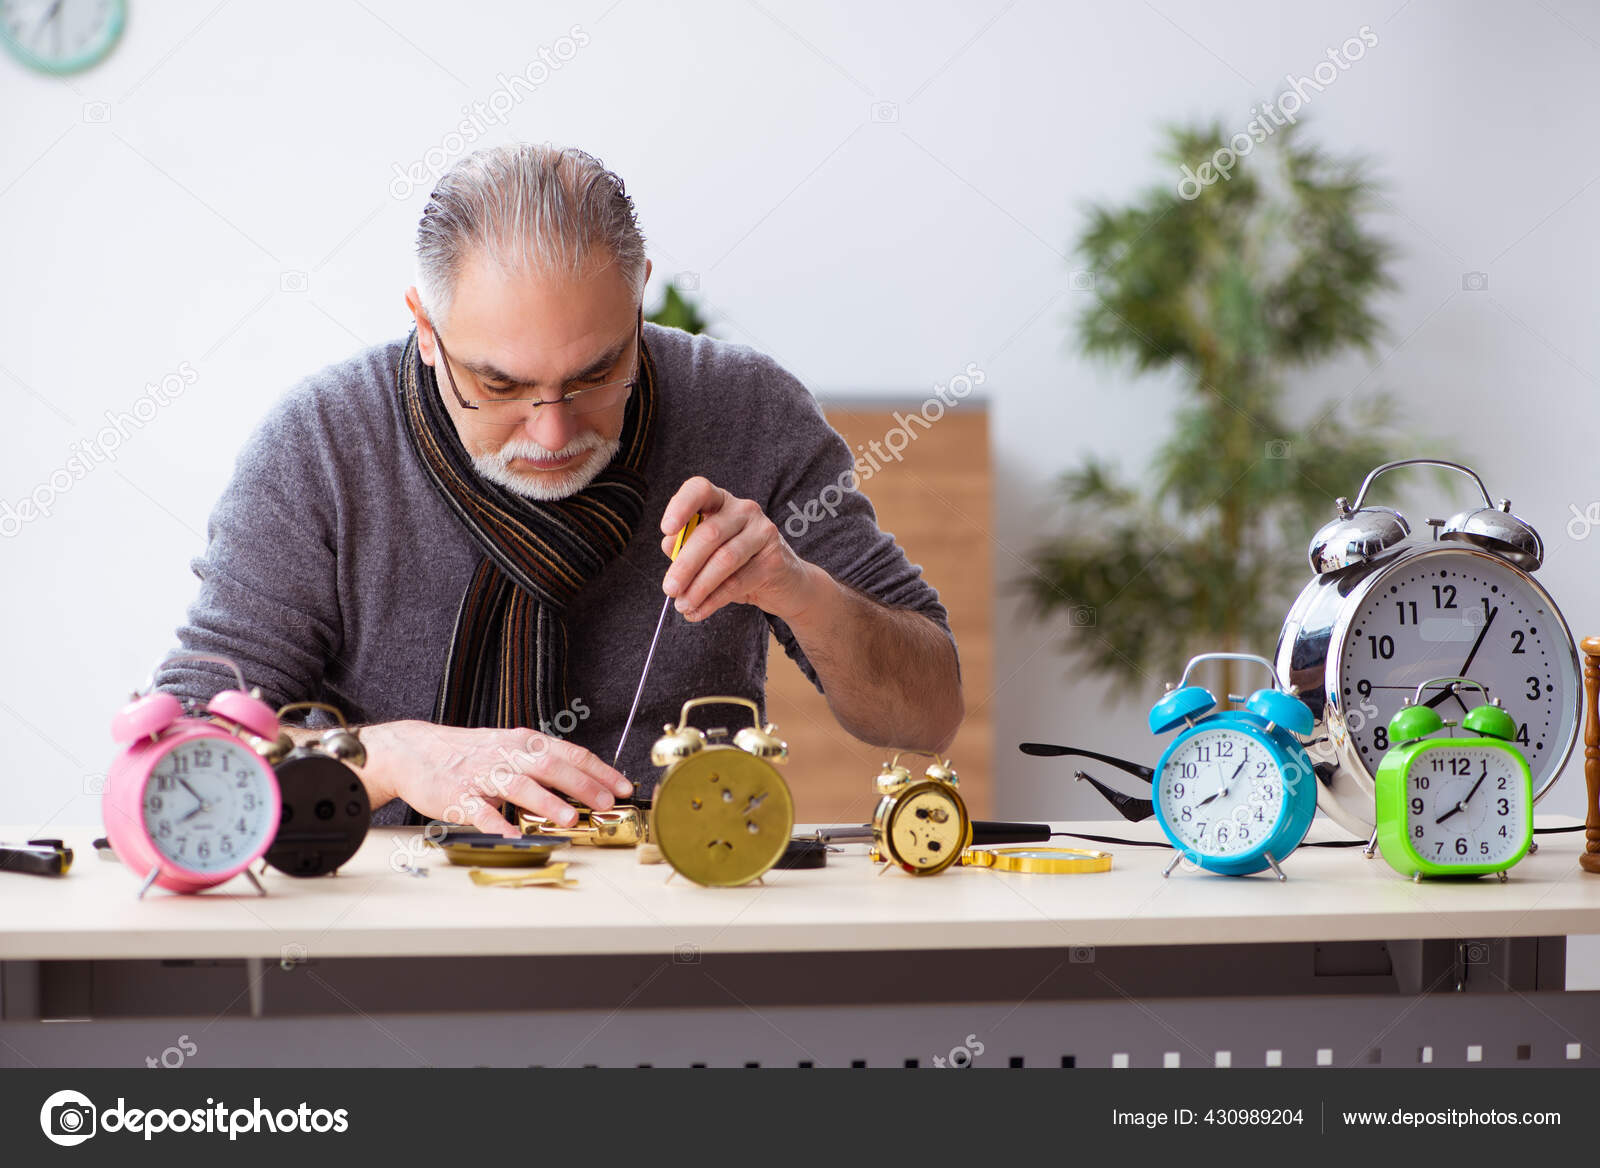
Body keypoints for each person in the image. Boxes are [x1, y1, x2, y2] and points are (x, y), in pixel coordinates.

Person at [159, 144, 963, 834]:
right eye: (499, 385)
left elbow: (928, 716)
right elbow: (184, 760)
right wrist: (387, 753)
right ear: (426, 329)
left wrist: (804, 593)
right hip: (379, 930)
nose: (552, 433)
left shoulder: (748, 411)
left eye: (596, 374)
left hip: (681, 919)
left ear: (640, 295)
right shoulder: (322, 446)